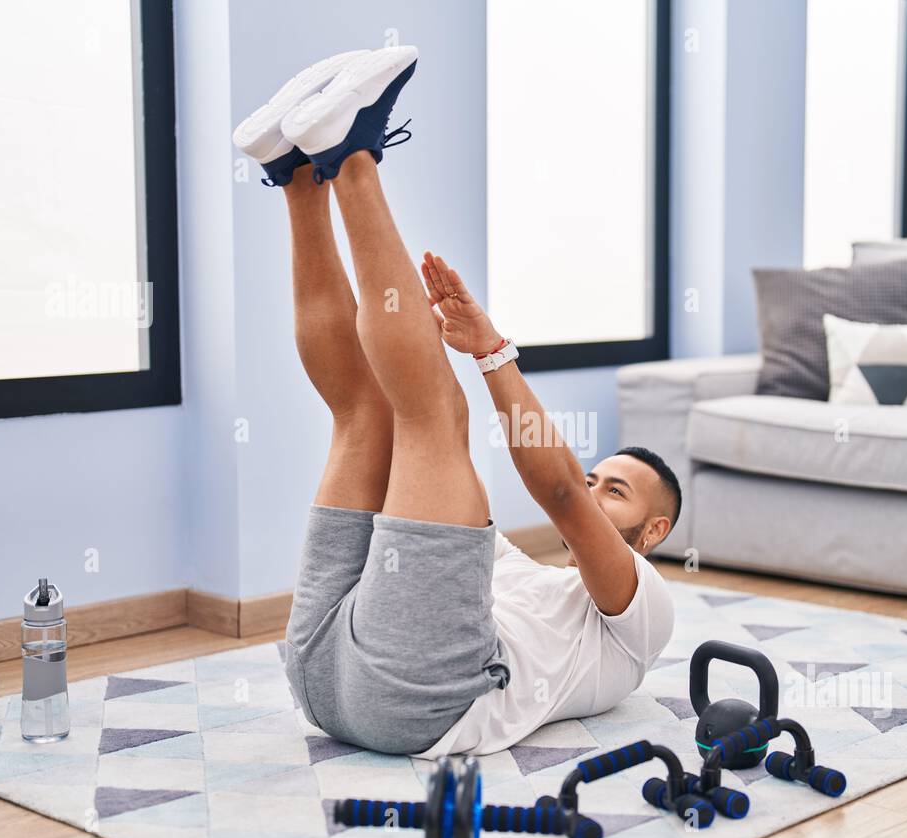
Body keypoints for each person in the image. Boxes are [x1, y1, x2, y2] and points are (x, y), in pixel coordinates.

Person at [232, 45, 680, 756]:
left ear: (654, 533)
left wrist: (493, 352)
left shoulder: (644, 614)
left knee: (434, 419)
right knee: (364, 417)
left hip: (416, 706)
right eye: (600, 476)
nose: (595, 491)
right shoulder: (512, 568)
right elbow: (549, 493)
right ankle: (295, 178)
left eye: (617, 491)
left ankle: (350, 158)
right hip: (321, 672)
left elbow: (562, 493)